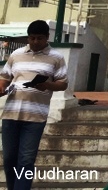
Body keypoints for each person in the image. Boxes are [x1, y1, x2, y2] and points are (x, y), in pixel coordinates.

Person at [0, 20, 68, 190]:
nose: (35, 42)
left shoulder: (57, 58)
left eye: (39, 38)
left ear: (47, 38)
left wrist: (47, 85)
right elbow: (5, 78)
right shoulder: (16, 54)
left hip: (36, 116)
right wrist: (2, 88)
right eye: (31, 38)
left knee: (26, 159)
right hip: (11, 113)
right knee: (9, 158)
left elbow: (63, 84)